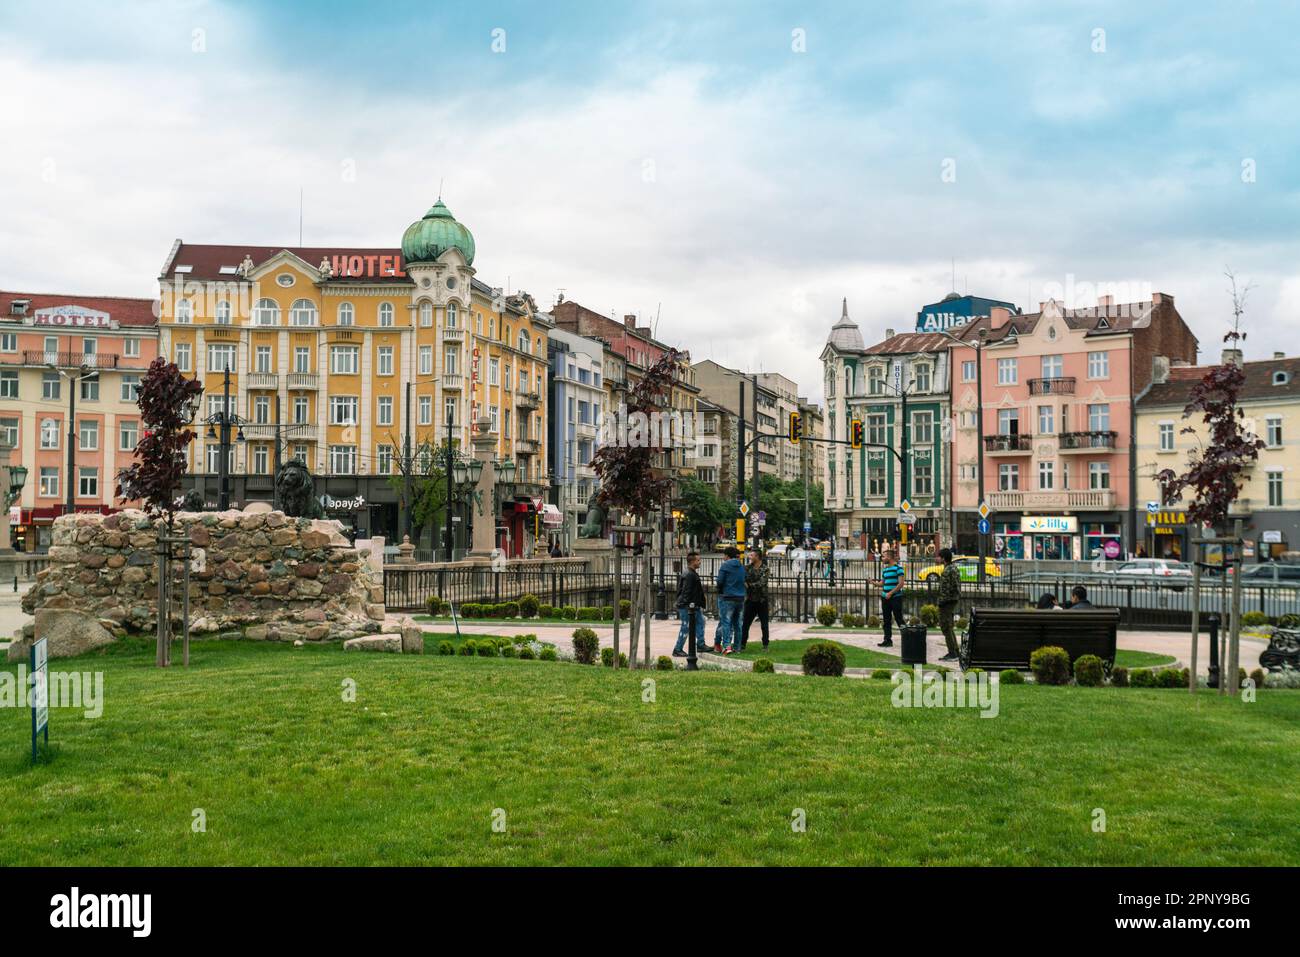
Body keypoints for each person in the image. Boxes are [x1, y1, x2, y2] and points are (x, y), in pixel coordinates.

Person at [672, 551, 707, 657]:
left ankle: (700, 644)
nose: (700, 562)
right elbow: (686, 592)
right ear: (692, 562)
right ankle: (678, 649)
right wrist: (688, 605)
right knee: (685, 627)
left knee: (701, 622)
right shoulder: (690, 574)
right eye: (698, 560)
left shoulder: (690, 573)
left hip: (693, 605)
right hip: (688, 606)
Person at [715, 545, 747, 654]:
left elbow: (720, 581)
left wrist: (720, 590)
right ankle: (737, 647)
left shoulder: (725, 566)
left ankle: (726, 646)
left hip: (727, 597)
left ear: (727, 556)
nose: (723, 557)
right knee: (738, 623)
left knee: (726, 622)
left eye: (724, 555)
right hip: (740, 598)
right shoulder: (741, 566)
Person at [741, 550, 770, 651]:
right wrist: (746, 584)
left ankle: (765, 645)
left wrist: (749, 585)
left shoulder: (765, 569)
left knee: (764, 624)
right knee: (745, 623)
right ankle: (742, 644)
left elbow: (762, 582)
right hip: (750, 600)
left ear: (757, 557)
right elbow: (742, 579)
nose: (750, 556)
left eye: (752, 555)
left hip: (762, 600)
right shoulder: (747, 567)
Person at [936, 547, 961, 661]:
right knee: (950, 626)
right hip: (954, 599)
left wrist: (941, 603)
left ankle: (952, 652)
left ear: (943, 558)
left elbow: (945, 589)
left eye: (939, 557)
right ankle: (955, 650)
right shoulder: (954, 568)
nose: (937, 559)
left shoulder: (947, 571)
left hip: (947, 601)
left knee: (945, 626)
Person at [878, 548, 906, 647]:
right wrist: (874, 583)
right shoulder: (885, 570)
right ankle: (887, 640)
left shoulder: (898, 568)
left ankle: (907, 639)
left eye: (884, 556)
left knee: (899, 618)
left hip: (895, 597)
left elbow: (901, 583)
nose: (882, 558)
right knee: (886, 620)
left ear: (889, 557)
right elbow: (883, 583)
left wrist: (891, 593)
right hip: (885, 597)